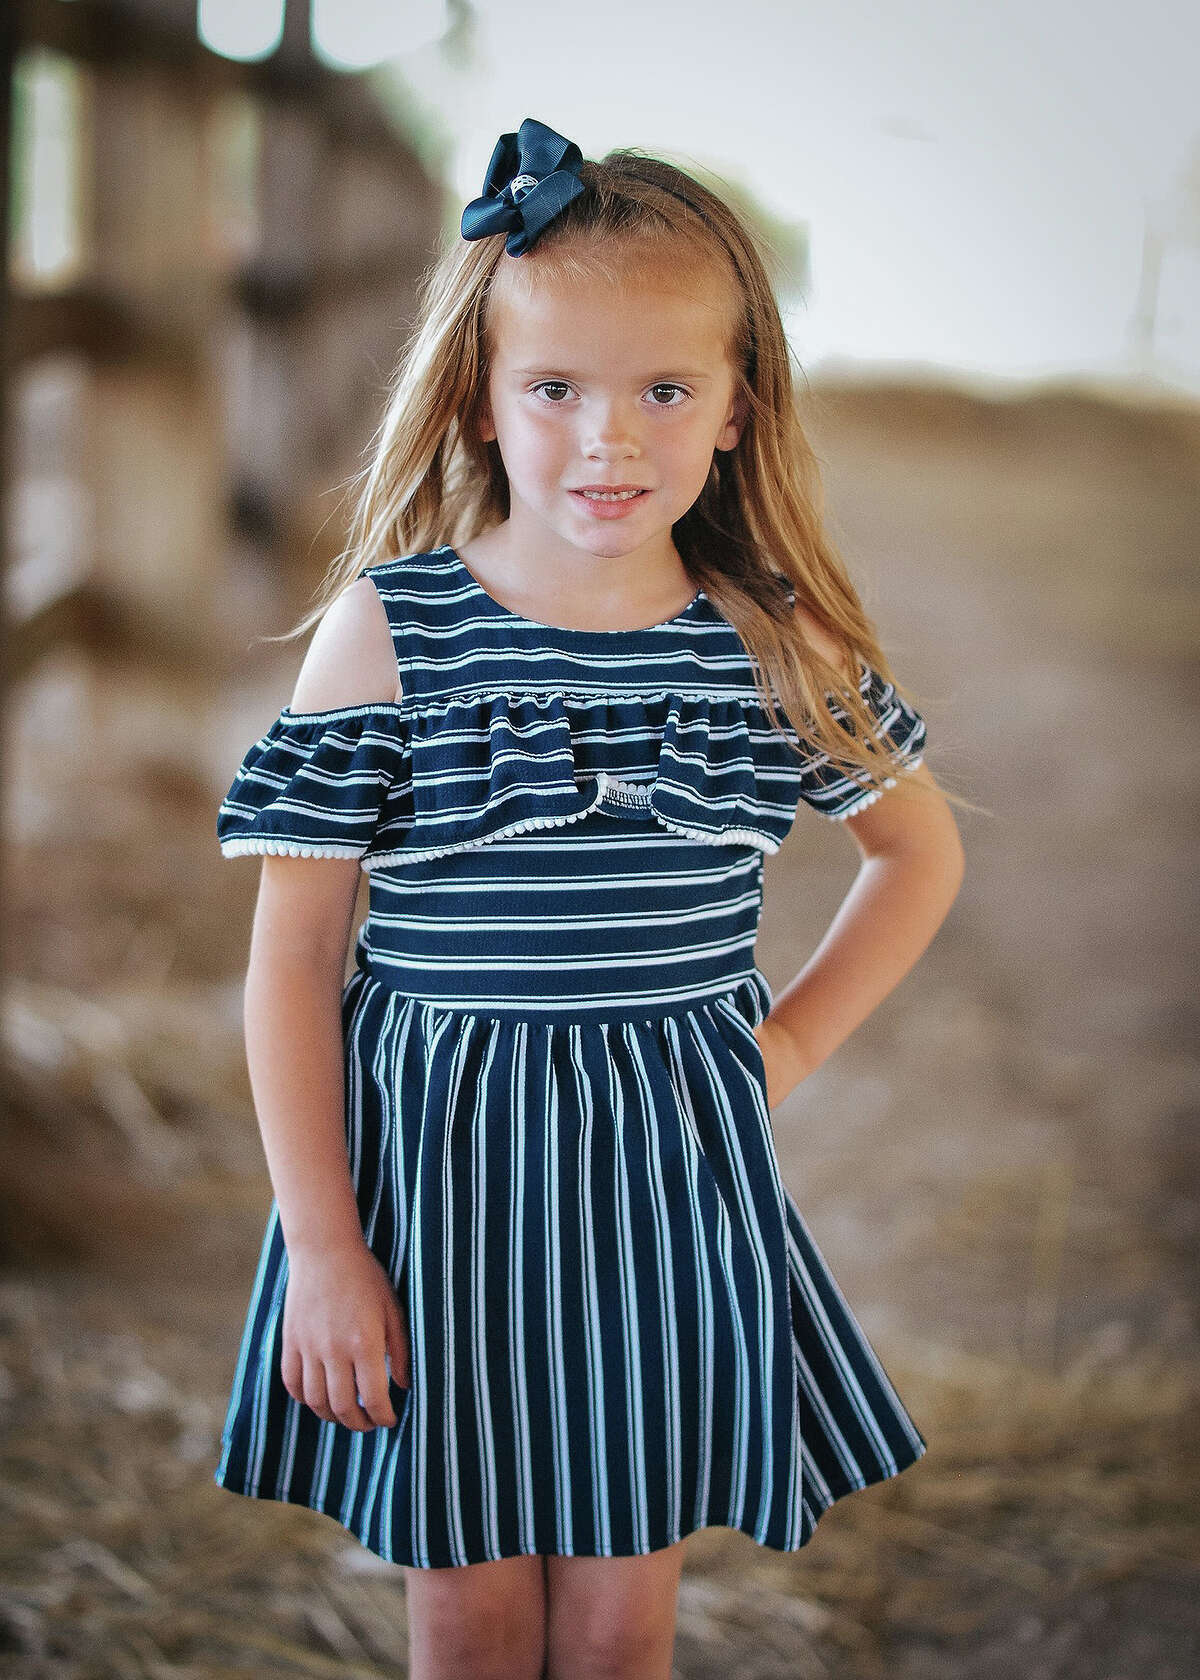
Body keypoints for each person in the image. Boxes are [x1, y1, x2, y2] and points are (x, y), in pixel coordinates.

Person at [212, 117, 966, 1680]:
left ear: (739, 407)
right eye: (555, 388)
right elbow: (293, 964)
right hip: (434, 1191)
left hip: (657, 1189)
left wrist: (785, 1052)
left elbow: (919, 856)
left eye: (664, 390)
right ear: (482, 400)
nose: (608, 441)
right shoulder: (393, 634)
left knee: (625, 1612)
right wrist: (327, 1246)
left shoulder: (772, 648)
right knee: (469, 1607)